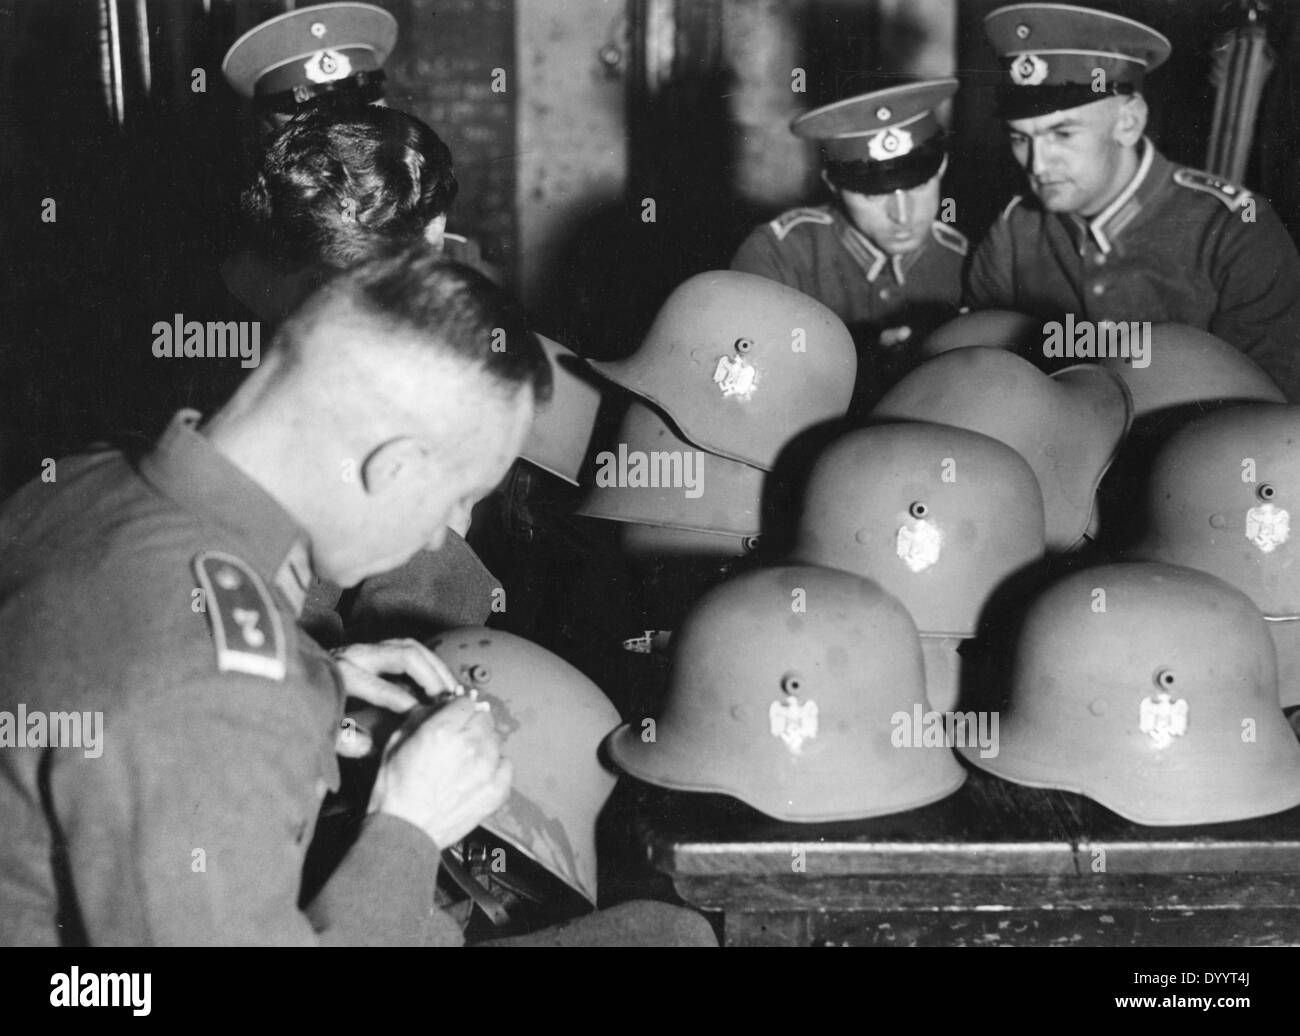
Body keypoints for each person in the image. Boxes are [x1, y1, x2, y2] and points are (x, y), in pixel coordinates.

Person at [0, 250, 547, 945]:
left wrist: (313, 679)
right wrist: (408, 829)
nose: (443, 538)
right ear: (396, 467)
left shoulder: (86, 479)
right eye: (458, 498)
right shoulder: (218, 685)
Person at [966, 2, 1300, 400]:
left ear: (1128, 122)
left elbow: (1270, 417)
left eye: (1063, 134)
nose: (1037, 164)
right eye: (1021, 138)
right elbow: (977, 370)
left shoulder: (1234, 230)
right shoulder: (1014, 229)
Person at [731, 78, 969, 403]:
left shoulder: (969, 260)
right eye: (873, 194)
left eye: (918, 185)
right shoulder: (781, 252)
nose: (902, 214)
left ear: (941, 167)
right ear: (833, 184)